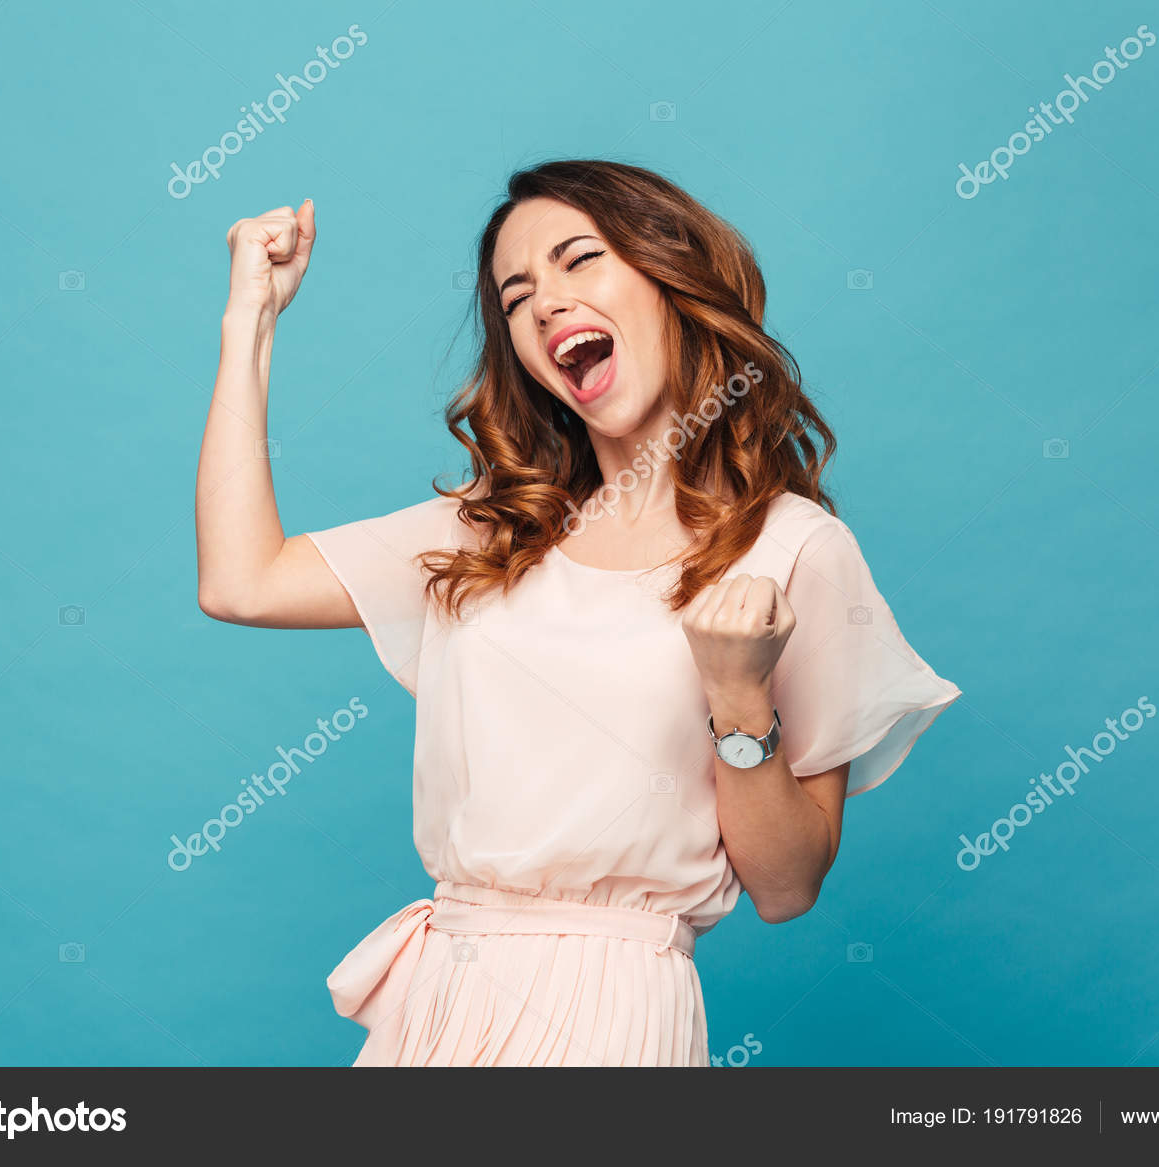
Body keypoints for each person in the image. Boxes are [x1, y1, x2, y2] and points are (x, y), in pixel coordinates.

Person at [194, 160, 961, 1066]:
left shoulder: (795, 550)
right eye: (516, 297)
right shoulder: (492, 529)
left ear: (671, 276)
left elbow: (787, 886)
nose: (546, 304)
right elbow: (241, 581)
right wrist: (250, 319)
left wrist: (738, 696)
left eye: (579, 260)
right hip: (439, 1002)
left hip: (612, 1013)